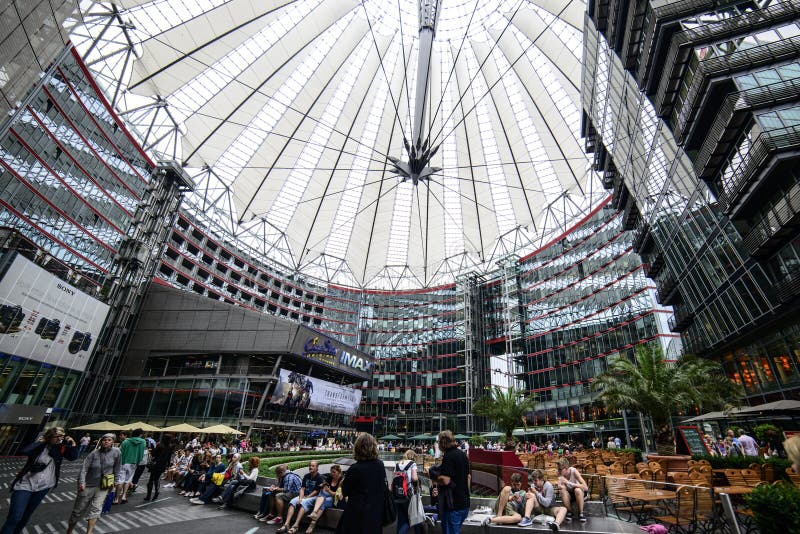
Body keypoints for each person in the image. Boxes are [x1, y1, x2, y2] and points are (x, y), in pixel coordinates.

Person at [1, 427, 79, 534]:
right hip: (25, 484)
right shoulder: (40, 446)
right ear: (50, 436)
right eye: (57, 436)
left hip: (43, 487)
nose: (60, 439)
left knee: (25, 517)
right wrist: (42, 441)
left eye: (62, 436)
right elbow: (25, 450)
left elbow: (73, 457)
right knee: (15, 516)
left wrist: (73, 444)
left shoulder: (60, 448)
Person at [67, 433, 119, 534]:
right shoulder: (94, 453)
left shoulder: (117, 452)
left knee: (96, 509)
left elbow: (117, 467)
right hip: (88, 485)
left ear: (113, 442)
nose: (106, 441)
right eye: (104, 440)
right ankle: (69, 531)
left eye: (109, 440)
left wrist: (115, 481)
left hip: (104, 486)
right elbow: (84, 469)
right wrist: (82, 482)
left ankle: (89, 532)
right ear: (101, 441)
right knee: (78, 511)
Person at [336, 432, 386, 533]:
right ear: (374, 447)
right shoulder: (380, 465)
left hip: (357, 514)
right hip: (375, 513)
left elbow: (345, 491)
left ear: (357, 448)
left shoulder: (355, 468)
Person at [435, 430, 470, 534]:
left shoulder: (448, 456)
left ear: (442, 442)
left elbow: (445, 480)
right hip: (464, 503)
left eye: (438, 442)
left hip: (452, 505)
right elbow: (468, 477)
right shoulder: (462, 454)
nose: (438, 444)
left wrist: (433, 478)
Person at [277, 460, 323, 534]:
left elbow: (316, 491)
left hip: (314, 497)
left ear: (317, 467)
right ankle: (286, 524)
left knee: (303, 503)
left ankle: (296, 526)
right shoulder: (306, 476)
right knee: (292, 502)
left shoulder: (319, 477)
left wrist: (306, 497)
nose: (310, 467)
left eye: (313, 466)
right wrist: (301, 498)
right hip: (304, 495)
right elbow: (302, 488)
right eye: (310, 465)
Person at [305, 464, 344, 534]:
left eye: (334, 472)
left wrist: (328, 491)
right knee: (322, 493)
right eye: (331, 472)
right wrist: (322, 485)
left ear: (339, 472)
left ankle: (312, 523)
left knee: (322, 500)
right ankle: (313, 517)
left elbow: (337, 494)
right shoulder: (330, 477)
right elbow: (325, 485)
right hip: (326, 496)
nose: (332, 474)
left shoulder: (341, 481)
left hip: (334, 499)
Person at [114, 428, 146, 504]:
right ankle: (124, 496)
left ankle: (116, 499)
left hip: (124, 463)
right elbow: (141, 454)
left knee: (120, 480)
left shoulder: (125, 441)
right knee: (128, 480)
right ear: (140, 434)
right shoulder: (143, 442)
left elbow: (120, 453)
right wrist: (138, 462)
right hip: (134, 463)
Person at [395, 450, 422, 534]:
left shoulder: (397, 464)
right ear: (413, 456)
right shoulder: (412, 464)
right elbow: (414, 478)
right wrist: (418, 479)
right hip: (409, 495)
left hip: (398, 495)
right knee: (414, 518)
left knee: (401, 519)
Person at [555, 458, 588, 522]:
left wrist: (568, 483)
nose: (558, 471)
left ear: (566, 468)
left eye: (560, 469)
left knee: (577, 490)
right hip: (570, 493)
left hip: (580, 493)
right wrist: (561, 486)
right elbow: (564, 488)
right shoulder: (560, 473)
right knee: (562, 491)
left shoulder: (574, 471)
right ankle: (570, 512)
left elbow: (585, 487)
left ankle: (581, 513)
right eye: (558, 469)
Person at [145, 435, 172, 501]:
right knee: (157, 480)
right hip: (162, 466)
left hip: (155, 465)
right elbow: (169, 458)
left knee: (151, 480)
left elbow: (154, 454)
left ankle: (148, 496)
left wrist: (153, 449)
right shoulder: (169, 447)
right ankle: (156, 493)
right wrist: (167, 466)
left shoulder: (160, 445)